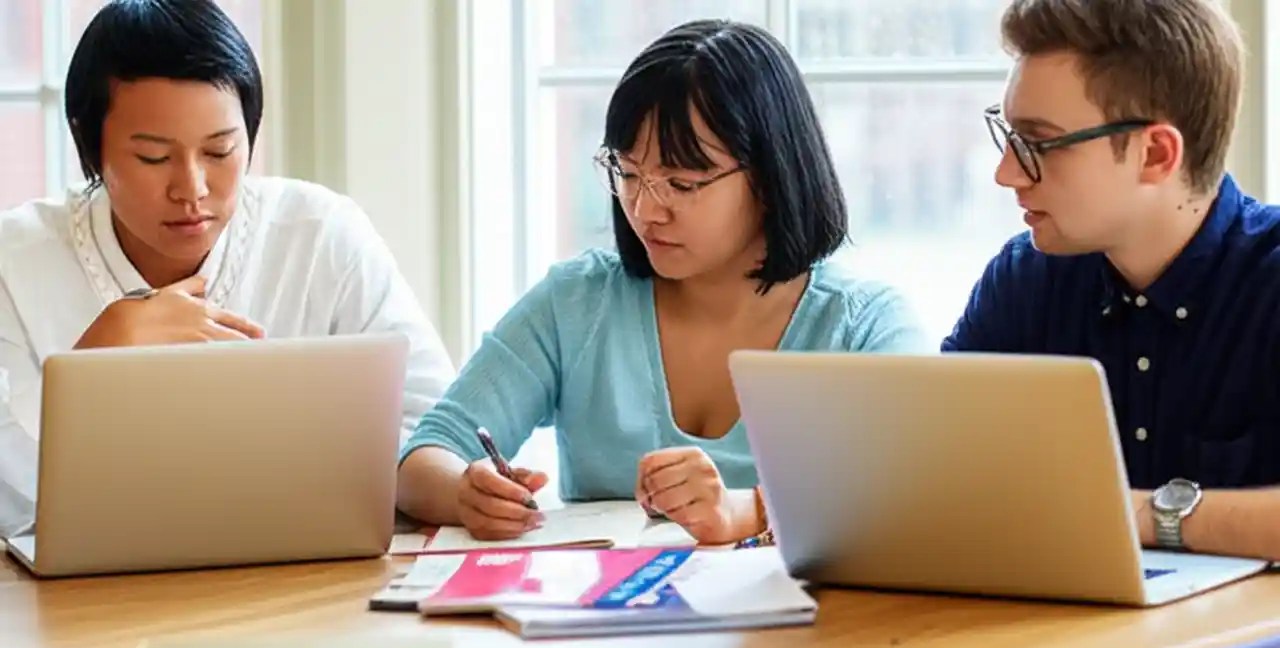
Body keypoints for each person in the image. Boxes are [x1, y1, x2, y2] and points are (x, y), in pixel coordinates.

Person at [397, 19, 929, 545]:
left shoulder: (864, 327)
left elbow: (916, 488)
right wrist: (466, 492)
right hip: (605, 624)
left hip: (812, 629)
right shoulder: (576, 303)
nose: (646, 210)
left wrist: (746, 510)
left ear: (771, 174)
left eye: (682, 183)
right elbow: (424, 456)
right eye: (628, 175)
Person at [0, 0, 455, 536]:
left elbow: (434, 424)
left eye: (219, 152)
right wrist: (93, 367)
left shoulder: (321, 235)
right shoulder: (16, 263)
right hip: (83, 604)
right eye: (153, 158)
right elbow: (14, 506)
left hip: (304, 578)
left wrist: (458, 486)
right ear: (89, 144)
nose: (191, 188)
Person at [945, 0, 1280, 559]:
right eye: (1007, 136)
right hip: (1047, 634)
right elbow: (932, 470)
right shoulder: (1024, 279)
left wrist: (1139, 515)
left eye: (1039, 144)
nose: (1005, 173)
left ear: (1155, 154)